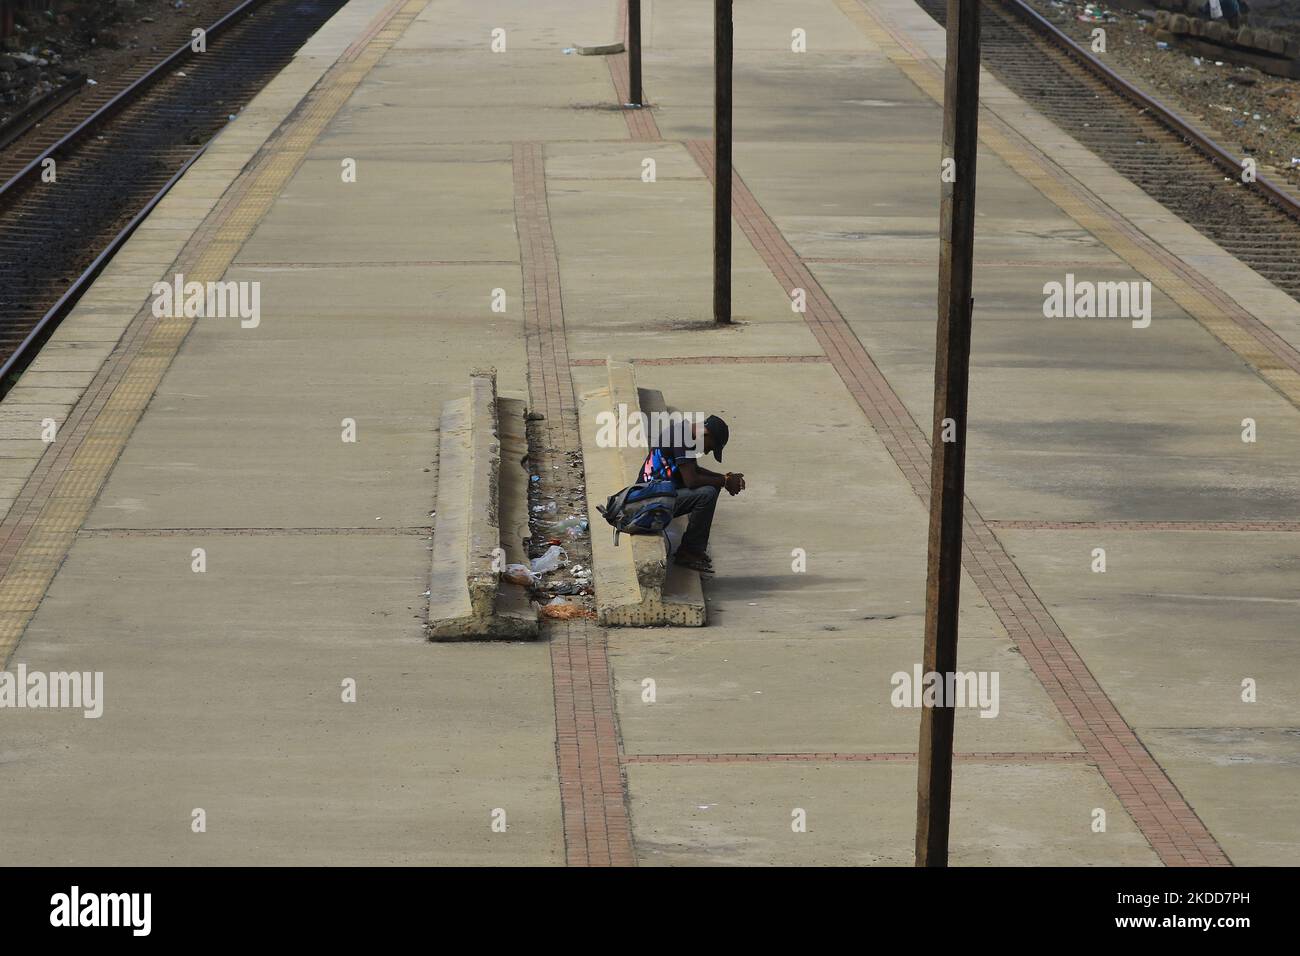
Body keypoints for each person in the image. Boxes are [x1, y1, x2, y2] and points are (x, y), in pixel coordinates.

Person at [638, 413, 742, 573]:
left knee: (711, 488)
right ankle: (689, 552)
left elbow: (695, 470)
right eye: (710, 447)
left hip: (658, 497)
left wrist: (725, 478)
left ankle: (694, 550)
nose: (706, 452)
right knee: (707, 493)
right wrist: (725, 482)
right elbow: (691, 480)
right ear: (705, 434)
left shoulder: (683, 432)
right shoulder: (682, 438)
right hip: (650, 504)